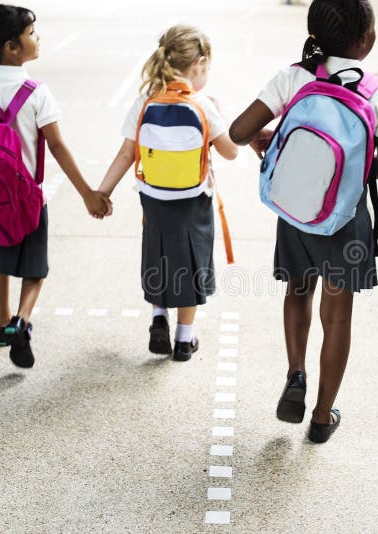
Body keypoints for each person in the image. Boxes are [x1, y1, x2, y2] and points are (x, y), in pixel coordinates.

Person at [230, 0, 378, 443]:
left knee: (297, 290)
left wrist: (268, 144)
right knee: (338, 318)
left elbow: (237, 132)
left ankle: (296, 373)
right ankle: (323, 417)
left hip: (296, 210)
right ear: (365, 39)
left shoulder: (294, 77)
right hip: (346, 219)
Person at [0, 3, 111, 368]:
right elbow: (58, 146)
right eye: (31, 33)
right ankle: (22, 320)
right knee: (34, 268)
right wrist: (87, 193)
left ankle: (2, 323)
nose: (38, 38)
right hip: (27, 199)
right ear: (11, 47)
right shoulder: (36, 92)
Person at [97, 24, 238, 362]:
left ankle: (158, 317)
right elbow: (231, 151)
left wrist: (102, 192)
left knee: (158, 254)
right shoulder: (203, 104)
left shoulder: (145, 101)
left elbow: (126, 154)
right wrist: (220, 112)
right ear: (199, 64)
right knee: (190, 262)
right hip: (193, 201)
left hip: (154, 198)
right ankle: (184, 339)